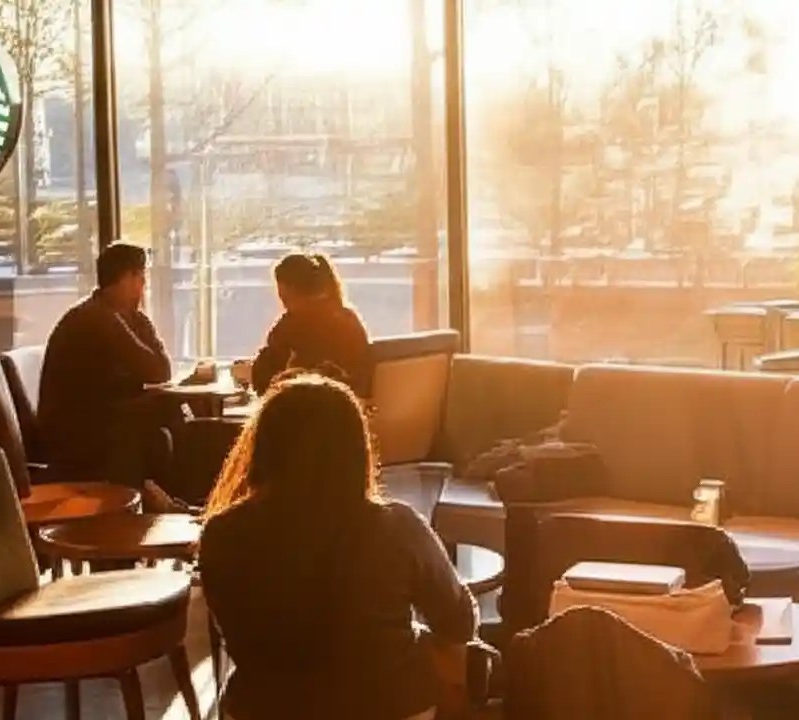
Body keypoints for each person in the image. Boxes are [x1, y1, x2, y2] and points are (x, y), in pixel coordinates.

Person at [199, 372, 479, 720]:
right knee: (456, 656)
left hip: (266, 709)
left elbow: (238, 634)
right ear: (355, 450)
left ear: (264, 448)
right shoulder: (395, 526)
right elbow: (458, 622)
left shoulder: (221, 534)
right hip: (388, 707)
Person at [38, 242, 185, 512]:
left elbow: (163, 369)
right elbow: (153, 370)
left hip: (106, 416)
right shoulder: (95, 318)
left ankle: (156, 503)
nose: (144, 284)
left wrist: (138, 322)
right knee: (161, 416)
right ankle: (149, 509)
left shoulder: (129, 318)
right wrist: (127, 325)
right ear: (125, 278)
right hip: (76, 429)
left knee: (162, 425)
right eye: (140, 276)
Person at [250, 253, 374, 399]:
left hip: (305, 408)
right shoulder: (348, 319)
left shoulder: (292, 325)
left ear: (290, 290)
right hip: (344, 411)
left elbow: (262, 377)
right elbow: (362, 379)